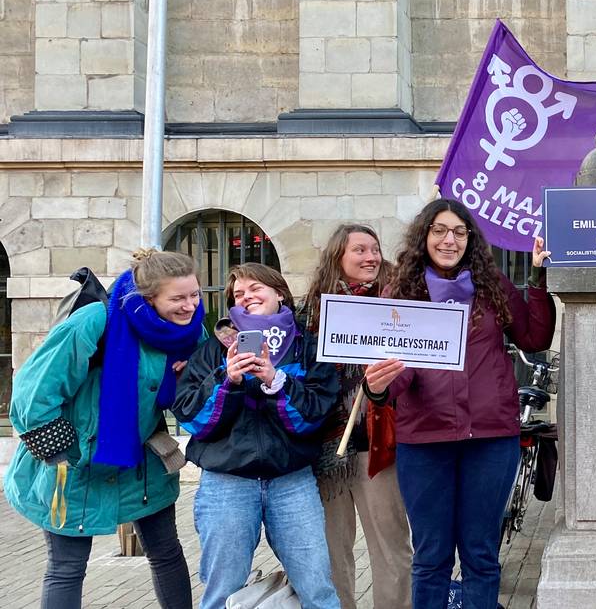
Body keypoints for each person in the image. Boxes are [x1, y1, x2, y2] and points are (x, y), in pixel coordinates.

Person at [364, 199, 555, 609]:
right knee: (431, 557)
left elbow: (534, 338)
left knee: (480, 556)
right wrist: (379, 389)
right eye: (439, 230)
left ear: (470, 239)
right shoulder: (403, 292)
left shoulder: (491, 287)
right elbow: (399, 369)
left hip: (489, 438)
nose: (449, 239)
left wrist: (539, 278)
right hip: (426, 441)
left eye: (459, 231)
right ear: (424, 236)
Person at [4, 249, 204, 609]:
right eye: (177, 298)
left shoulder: (192, 332)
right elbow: (34, 389)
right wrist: (60, 447)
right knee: (67, 568)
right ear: (149, 298)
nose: (189, 306)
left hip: (142, 464)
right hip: (74, 464)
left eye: (195, 295)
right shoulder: (96, 320)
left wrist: (192, 378)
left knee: (166, 553)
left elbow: (198, 392)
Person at [173, 263, 340, 609]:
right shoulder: (214, 351)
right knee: (221, 592)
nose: (246, 296)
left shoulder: (307, 347)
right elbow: (193, 419)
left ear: (279, 292)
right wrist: (228, 381)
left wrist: (275, 382)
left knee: (317, 589)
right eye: (238, 293)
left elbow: (314, 417)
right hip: (227, 483)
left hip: (291, 481)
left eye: (255, 288)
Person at [303, 223, 414, 609]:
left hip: (377, 442)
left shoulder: (397, 303)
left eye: (374, 249)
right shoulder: (311, 311)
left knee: (391, 546)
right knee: (332, 550)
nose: (370, 257)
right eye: (360, 250)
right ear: (339, 257)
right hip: (327, 446)